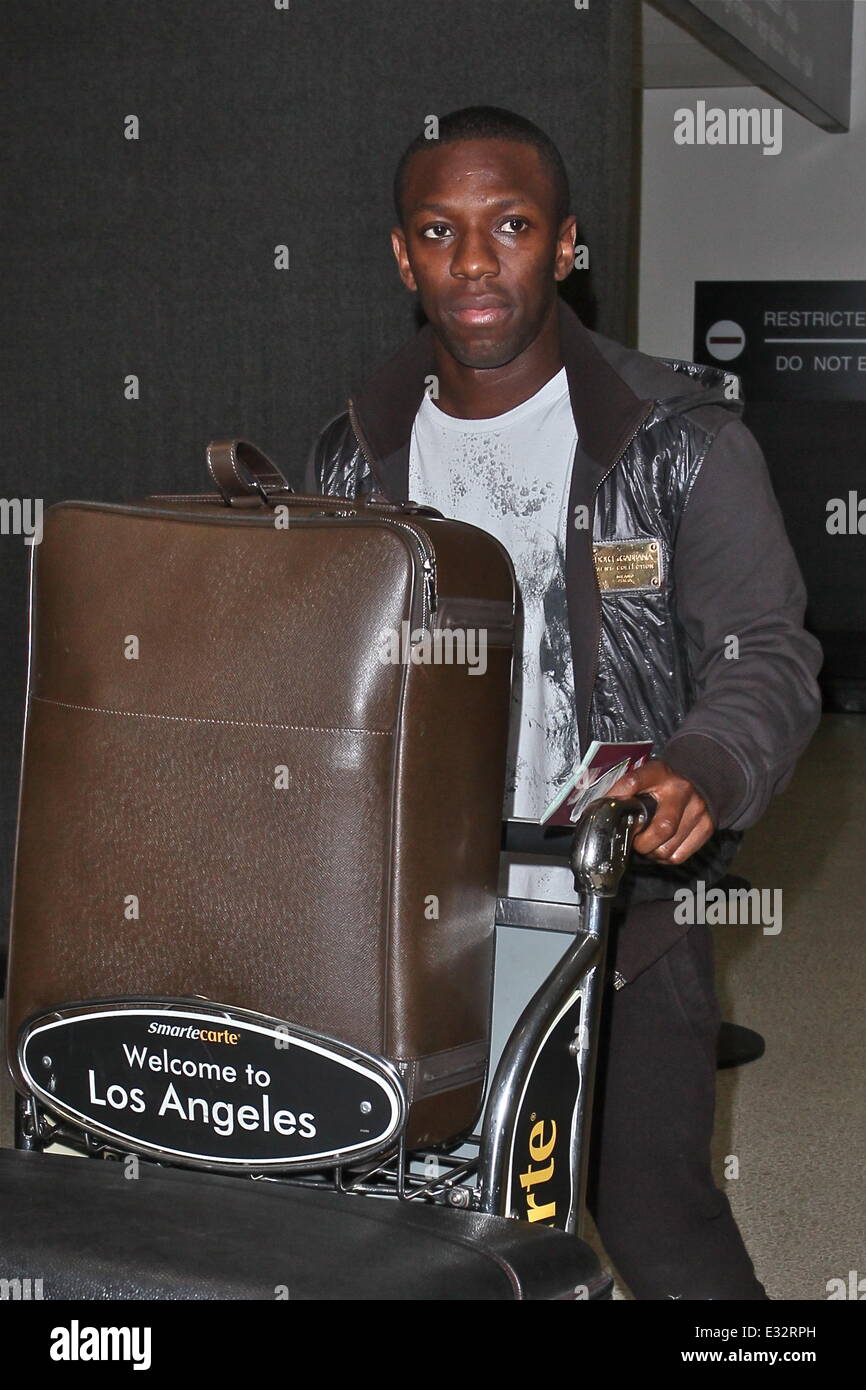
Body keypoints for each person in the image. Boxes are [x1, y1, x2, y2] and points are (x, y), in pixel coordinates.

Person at [304, 105, 823, 1299]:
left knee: (660, 1225)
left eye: (512, 226)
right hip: (409, 929)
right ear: (402, 256)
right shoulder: (351, 457)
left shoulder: (675, 440)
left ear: (566, 246)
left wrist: (703, 760)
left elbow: (765, 653)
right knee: (415, 1236)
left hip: (615, 915)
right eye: (439, 231)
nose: (475, 261)